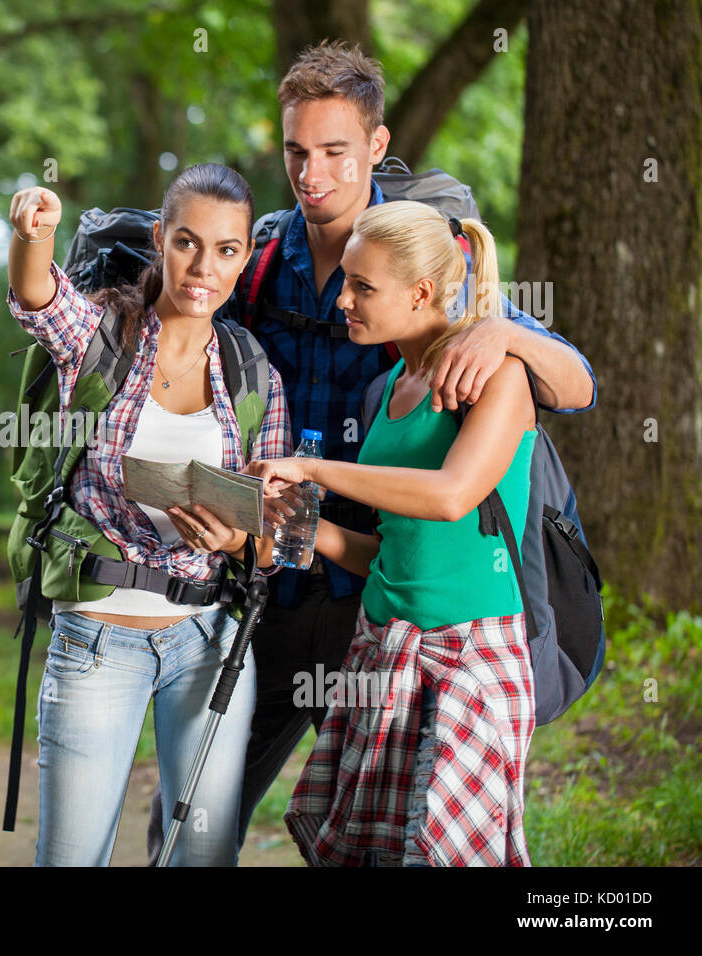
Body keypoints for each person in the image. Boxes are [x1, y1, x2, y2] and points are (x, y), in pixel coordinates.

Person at [145, 40, 598, 861]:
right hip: (273, 575)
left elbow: (576, 385)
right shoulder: (255, 261)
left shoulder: (426, 255)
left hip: (387, 605)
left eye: (334, 153)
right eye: (295, 152)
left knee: (399, 837)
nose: (311, 175)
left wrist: (503, 330)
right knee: (194, 818)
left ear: (377, 147)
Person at [6, 163, 292, 866]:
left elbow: (277, 537)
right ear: (162, 239)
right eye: (189, 243)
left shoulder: (254, 371)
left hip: (210, 642)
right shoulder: (105, 335)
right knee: (72, 856)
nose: (204, 268)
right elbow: (37, 298)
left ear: (244, 258)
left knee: (202, 857)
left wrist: (239, 537)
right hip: (99, 639)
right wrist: (32, 234)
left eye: (227, 250)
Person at [249, 199, 539, 865]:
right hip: (383, 645)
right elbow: (398, 545)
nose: (342, 300)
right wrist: (305, 524)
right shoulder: (388, 387)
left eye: (362, 287)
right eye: (346, 280)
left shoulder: (501, 377)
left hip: (466, 656)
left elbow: (450, 498)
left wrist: (315, 466)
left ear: (422, 291)